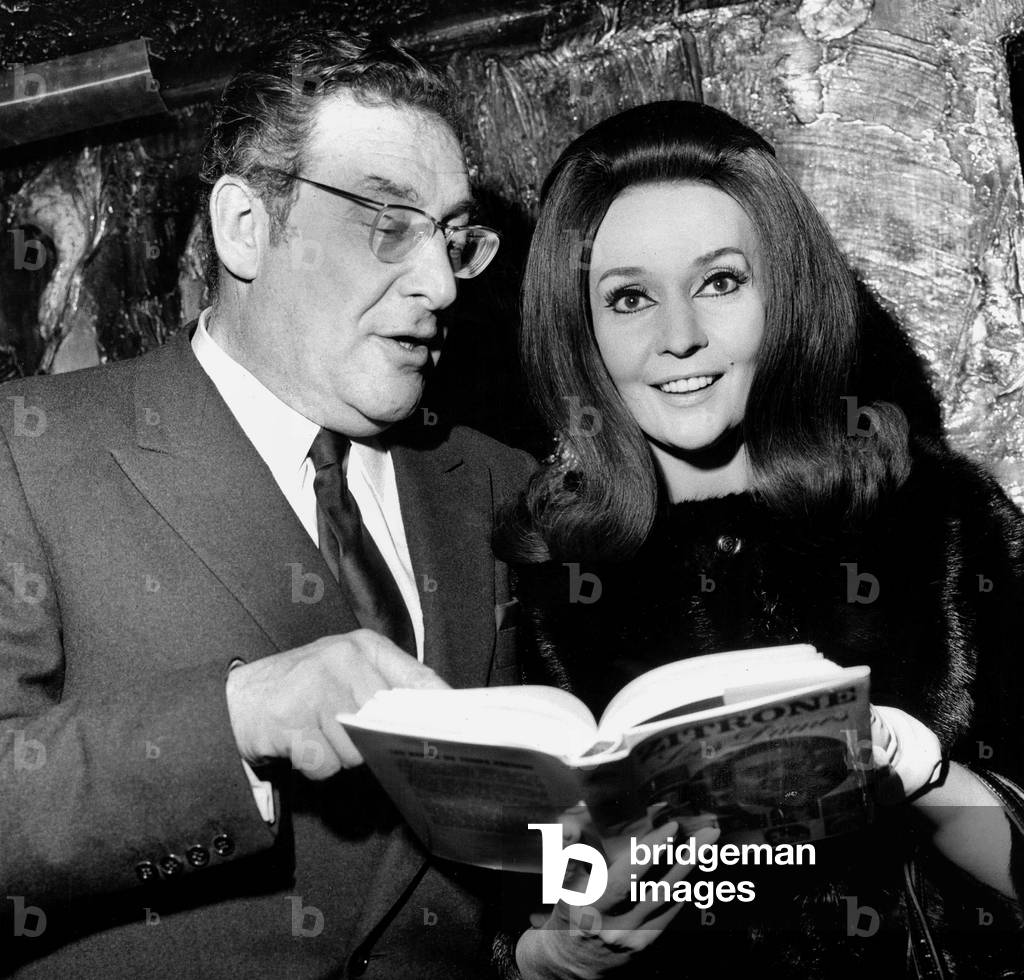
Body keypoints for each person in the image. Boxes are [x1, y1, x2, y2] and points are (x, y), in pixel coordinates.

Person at [0, 30, 533, 979]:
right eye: (388, 224)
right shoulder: (28, 448)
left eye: (455, 238)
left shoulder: (497, 483)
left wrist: (537, 951)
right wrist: (239, 716)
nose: (442, 284)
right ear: (247, 226)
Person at [496, 101, 1024, 978]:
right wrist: (554, 954)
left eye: (720, 282)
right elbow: (512, 907)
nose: (679, 338)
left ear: (785, 289)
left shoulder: (934, 518)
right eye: (630, 298)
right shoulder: (554, 575)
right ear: (579, 332)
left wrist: (924, 777)